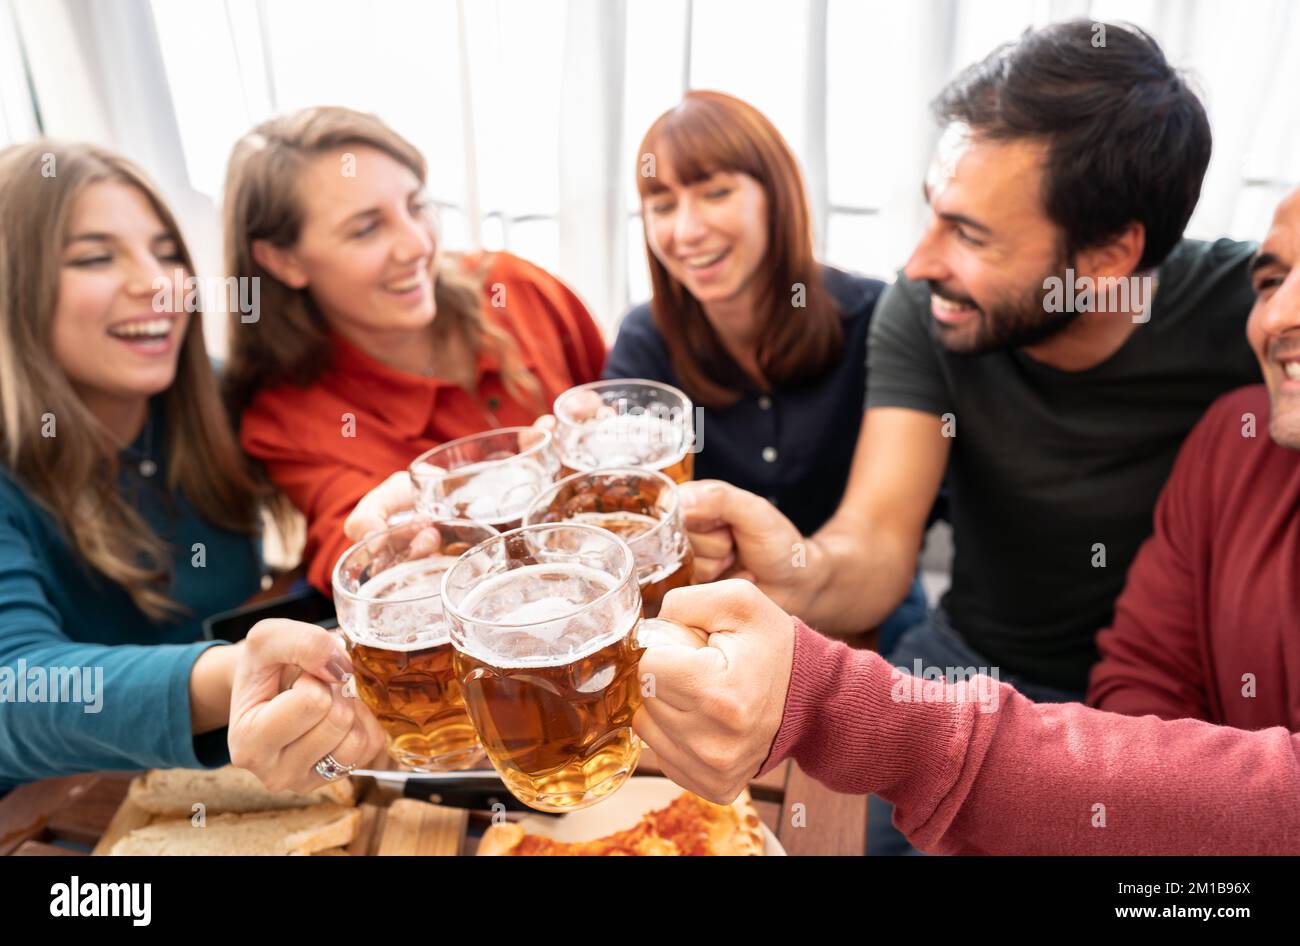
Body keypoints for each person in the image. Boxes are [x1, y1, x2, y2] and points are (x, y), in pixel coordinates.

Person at [675, 21, 1261, 853]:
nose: (918, 264)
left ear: (1106, 257)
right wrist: (796, 570)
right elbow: (877, 545)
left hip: (1166, 711)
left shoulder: (1256, 311)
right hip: (965, 665)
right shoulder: (928, 313)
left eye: (970, 234)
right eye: (932, 214)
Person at [0, 141, 383, 795]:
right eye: (95, 257)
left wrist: (373, 515)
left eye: (167, 252)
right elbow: (17, 686)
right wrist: (234, 677)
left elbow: (334, 475)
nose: (160, 283)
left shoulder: (212, 397)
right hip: (60, 810)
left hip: (222, 776)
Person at [224, 106, 607, 594]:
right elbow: (352, 546)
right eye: (366, 229)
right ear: (282, 260)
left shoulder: (517, 288)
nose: (416, 245)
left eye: (416, 205)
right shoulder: (286, 419)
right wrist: (397, 535)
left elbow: (611, 403)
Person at [605, 90, 927, 647]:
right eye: (662, 206)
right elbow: (630, 516)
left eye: (716, 193)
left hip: (870, 602)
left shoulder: (877, 318)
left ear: (776, 195)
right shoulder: (645, 339)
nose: (686, 231)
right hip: (721, 619)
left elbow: (889, 542)